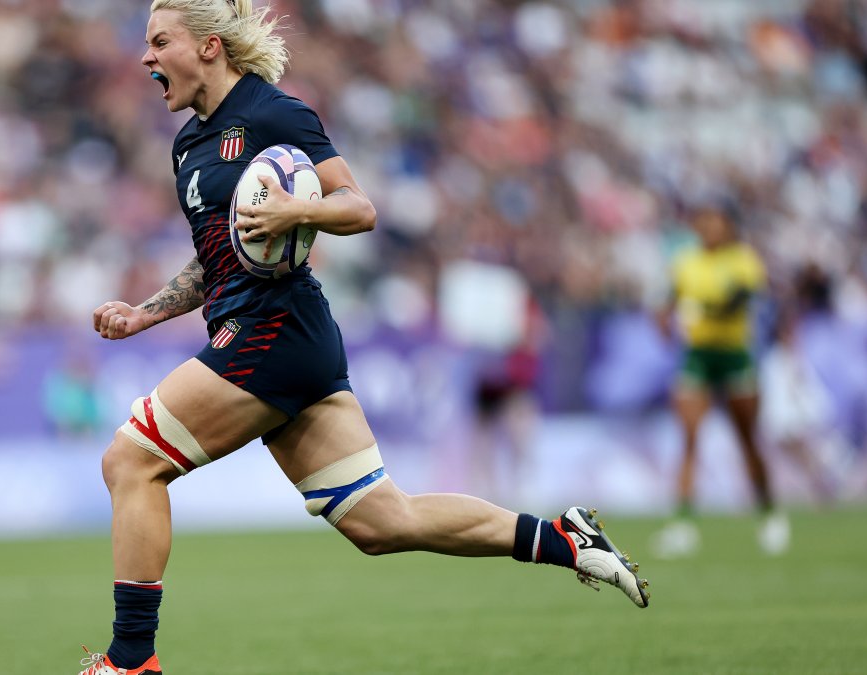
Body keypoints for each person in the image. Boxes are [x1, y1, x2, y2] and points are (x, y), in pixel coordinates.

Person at [80, 3, 648, 673]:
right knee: (383, 521)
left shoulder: (275, 114)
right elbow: (217, 255)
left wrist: (302, 208)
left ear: (208, 46)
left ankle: (130, 661)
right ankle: (563, 538)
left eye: (159, 42)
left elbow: (359, 206)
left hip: (271, 331)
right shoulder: (188, 146)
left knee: (131, 460)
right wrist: (145, 313)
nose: (145, 57)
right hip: (285, 335)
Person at [651, 203, 788, 559]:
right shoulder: (685, 262)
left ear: (727, 226)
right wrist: (664, 319)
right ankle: (682, 523)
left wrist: (700, 309)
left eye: (714, 222)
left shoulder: (743, 260)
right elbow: (668, 301)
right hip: (698, 356)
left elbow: (739, 300)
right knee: (689, 437)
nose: (707, 228)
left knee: (747, 437)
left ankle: (769, 512)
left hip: (733, 354)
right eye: (703, 222)